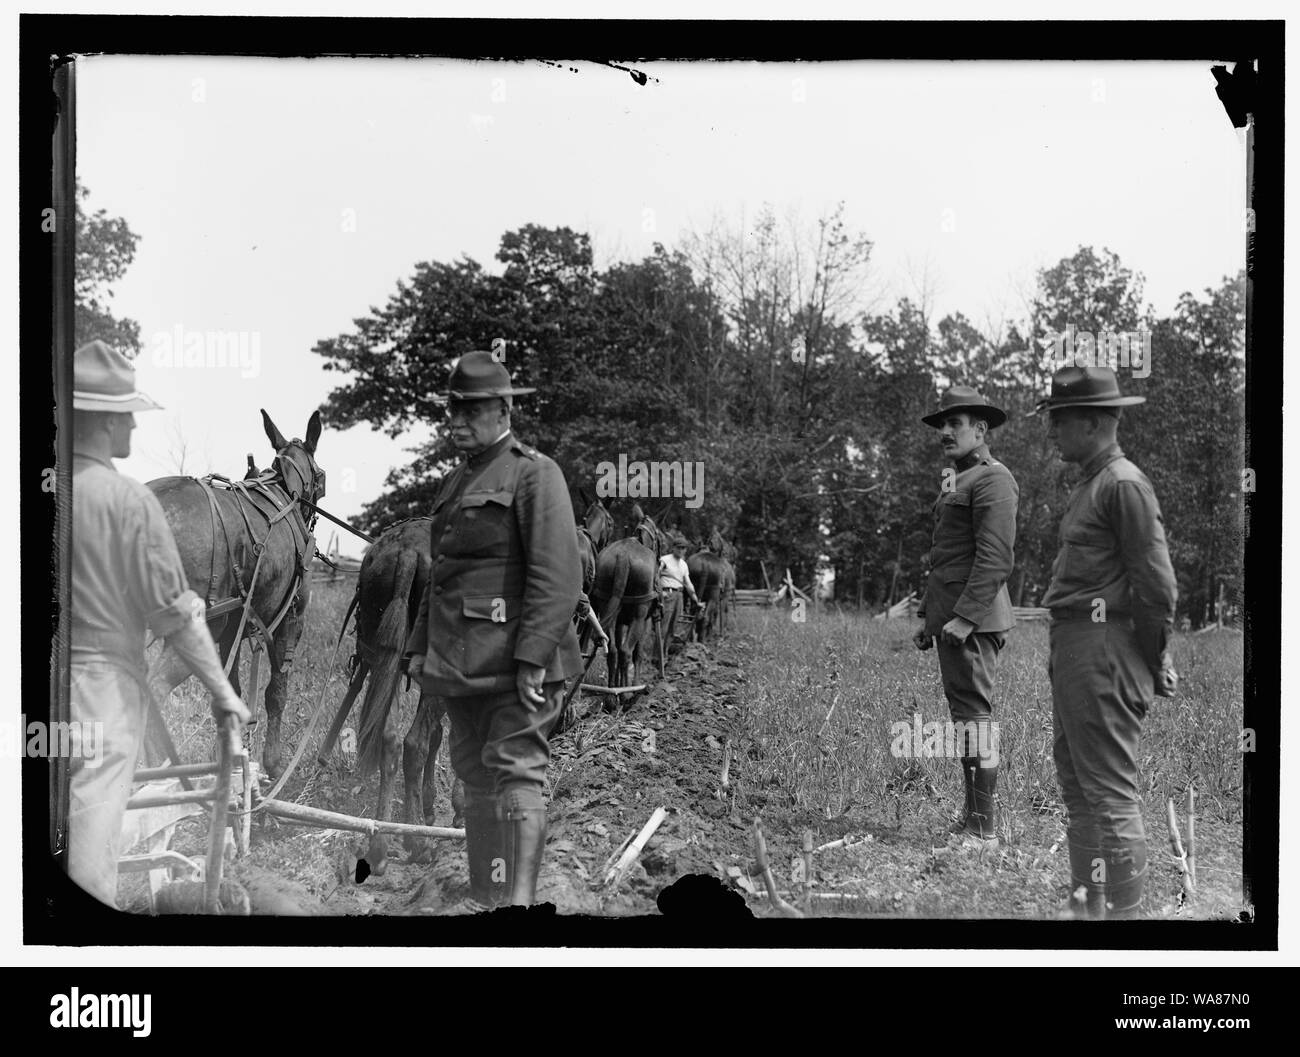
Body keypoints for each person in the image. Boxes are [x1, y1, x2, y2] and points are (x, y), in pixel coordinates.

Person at [68, 339, 251, 908]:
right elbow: (175, 615)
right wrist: (224, 693)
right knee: (90, 836)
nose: (132, 427)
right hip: (98, 691)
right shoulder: (124, 501)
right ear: (104, 421)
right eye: (126, 414)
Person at [403, 350, 583, 910]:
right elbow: (442, 582)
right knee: (475, 781)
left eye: (471, 408)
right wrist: (416, 651)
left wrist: (532, 658)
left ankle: (520, 910)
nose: (456, 419)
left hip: (516, 669)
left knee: (516, 774)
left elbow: (558, 575)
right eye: (453, 407)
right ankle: (484, 898)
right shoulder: (456, 483)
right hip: (462, 668)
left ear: (503, 409)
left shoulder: (535, 473)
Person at [1034, 364, 1178, 920]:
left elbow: (1157, 585)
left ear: (1093, 423)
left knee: (1111, 796)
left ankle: (1123, 926)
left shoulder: (1123, 485)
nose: (1051, 433)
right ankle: (1086, 910)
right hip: (1076, 645)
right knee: (1080, 787)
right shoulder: (1094, 483)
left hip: (1103, 647)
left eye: (1059, 421)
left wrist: (1153, 650)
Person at [914, 385, 1018, 852]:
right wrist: (927, 617)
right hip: (953, 621)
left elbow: (995, 559)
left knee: (975, 719)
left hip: (972, 624)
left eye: (955, 424)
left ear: (981, 429)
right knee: (965, 719)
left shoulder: (994, 480)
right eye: (942, 424)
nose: (945, 432)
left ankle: (983, 831)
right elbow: (947, 557)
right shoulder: (955, 480)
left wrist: (964, 618)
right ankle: (973, 820)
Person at [656, 534, 700, 662]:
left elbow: (688, 583)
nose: (681, 550)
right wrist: (660, 592)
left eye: (684, 548)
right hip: (667, 594)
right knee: (663, 627)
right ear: (673, 548)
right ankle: (657, 656)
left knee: (672, 627)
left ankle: (664, 653)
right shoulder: (664, 560)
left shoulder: (684, 565)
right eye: (679, 548)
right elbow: (655, 576)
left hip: (679, 595)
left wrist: (695, 599)